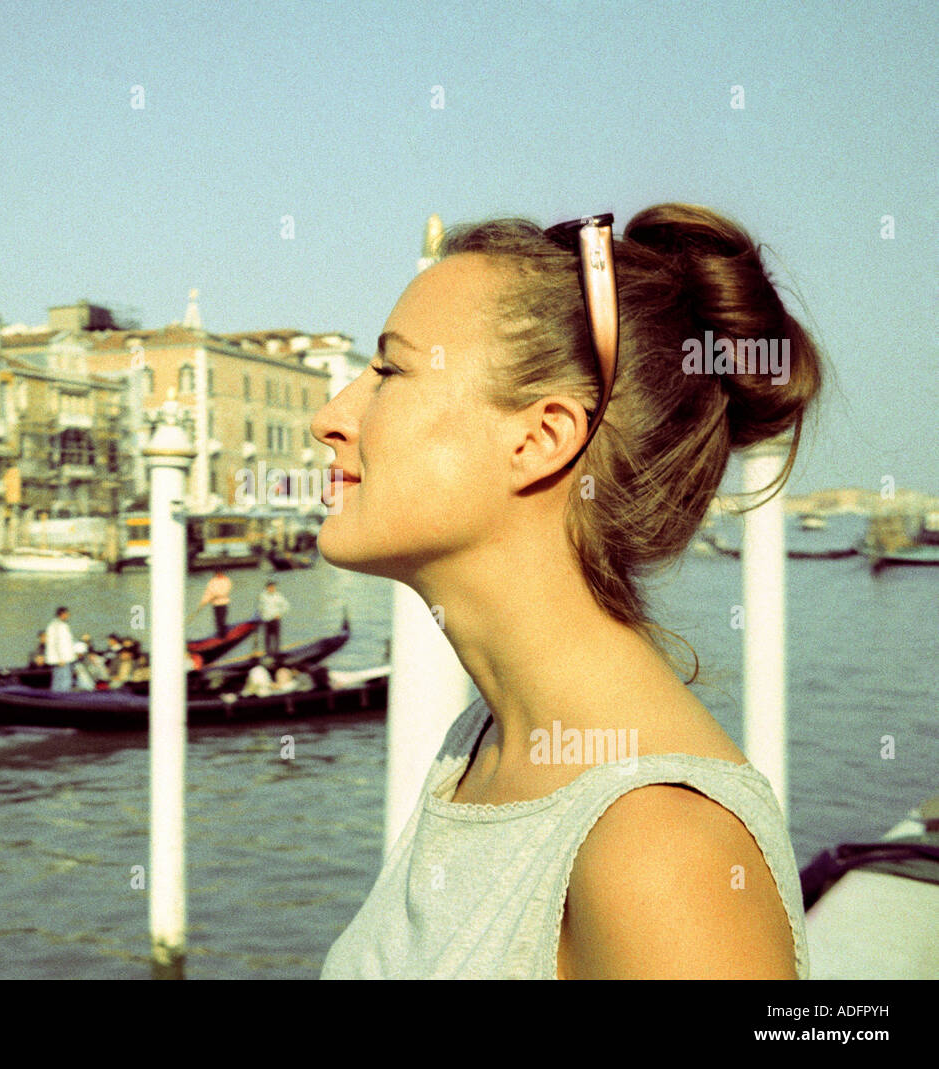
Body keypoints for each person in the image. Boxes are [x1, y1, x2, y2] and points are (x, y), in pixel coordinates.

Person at [311, 205, 821, 980]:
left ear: (541, 438)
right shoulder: (479, 744)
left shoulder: (661, 852)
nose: (330, 418)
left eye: (389, 371)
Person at [45, 606, 76, 692]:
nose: (69, 615)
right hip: (62, 659)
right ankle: (63, 699)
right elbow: (56, 643)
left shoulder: (60, 625)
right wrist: (60, 658)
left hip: (63, 658)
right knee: (64, 680)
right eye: (67, 614)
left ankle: (57, 697)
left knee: (58, 679)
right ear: (62, 614)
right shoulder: (57, 626)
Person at [257, 581, 289, 655]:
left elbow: (286, 606)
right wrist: (261, 616)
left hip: (275, 618)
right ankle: (267, 652)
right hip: (266, 619)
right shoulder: (262, 596)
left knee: (276, 636)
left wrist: (280, 614)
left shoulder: (278, 596)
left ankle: (277, 652)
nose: (271, 588)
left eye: (273, 587)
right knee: (267, 637)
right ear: (267, 588)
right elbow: (259, 608)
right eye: (270, 587)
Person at [198, 569, 232, 636]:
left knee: (222, 619)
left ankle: (224, 634)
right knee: (217, 620)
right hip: (215, 604)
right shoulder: (212, 581)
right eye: (217, 573)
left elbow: (226, 590)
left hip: (223, 603)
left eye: (220, 572)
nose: (219, 574)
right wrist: (203, 602)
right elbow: (208, 592)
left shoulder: (226, 580)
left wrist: (217, 595)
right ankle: (220, 635)